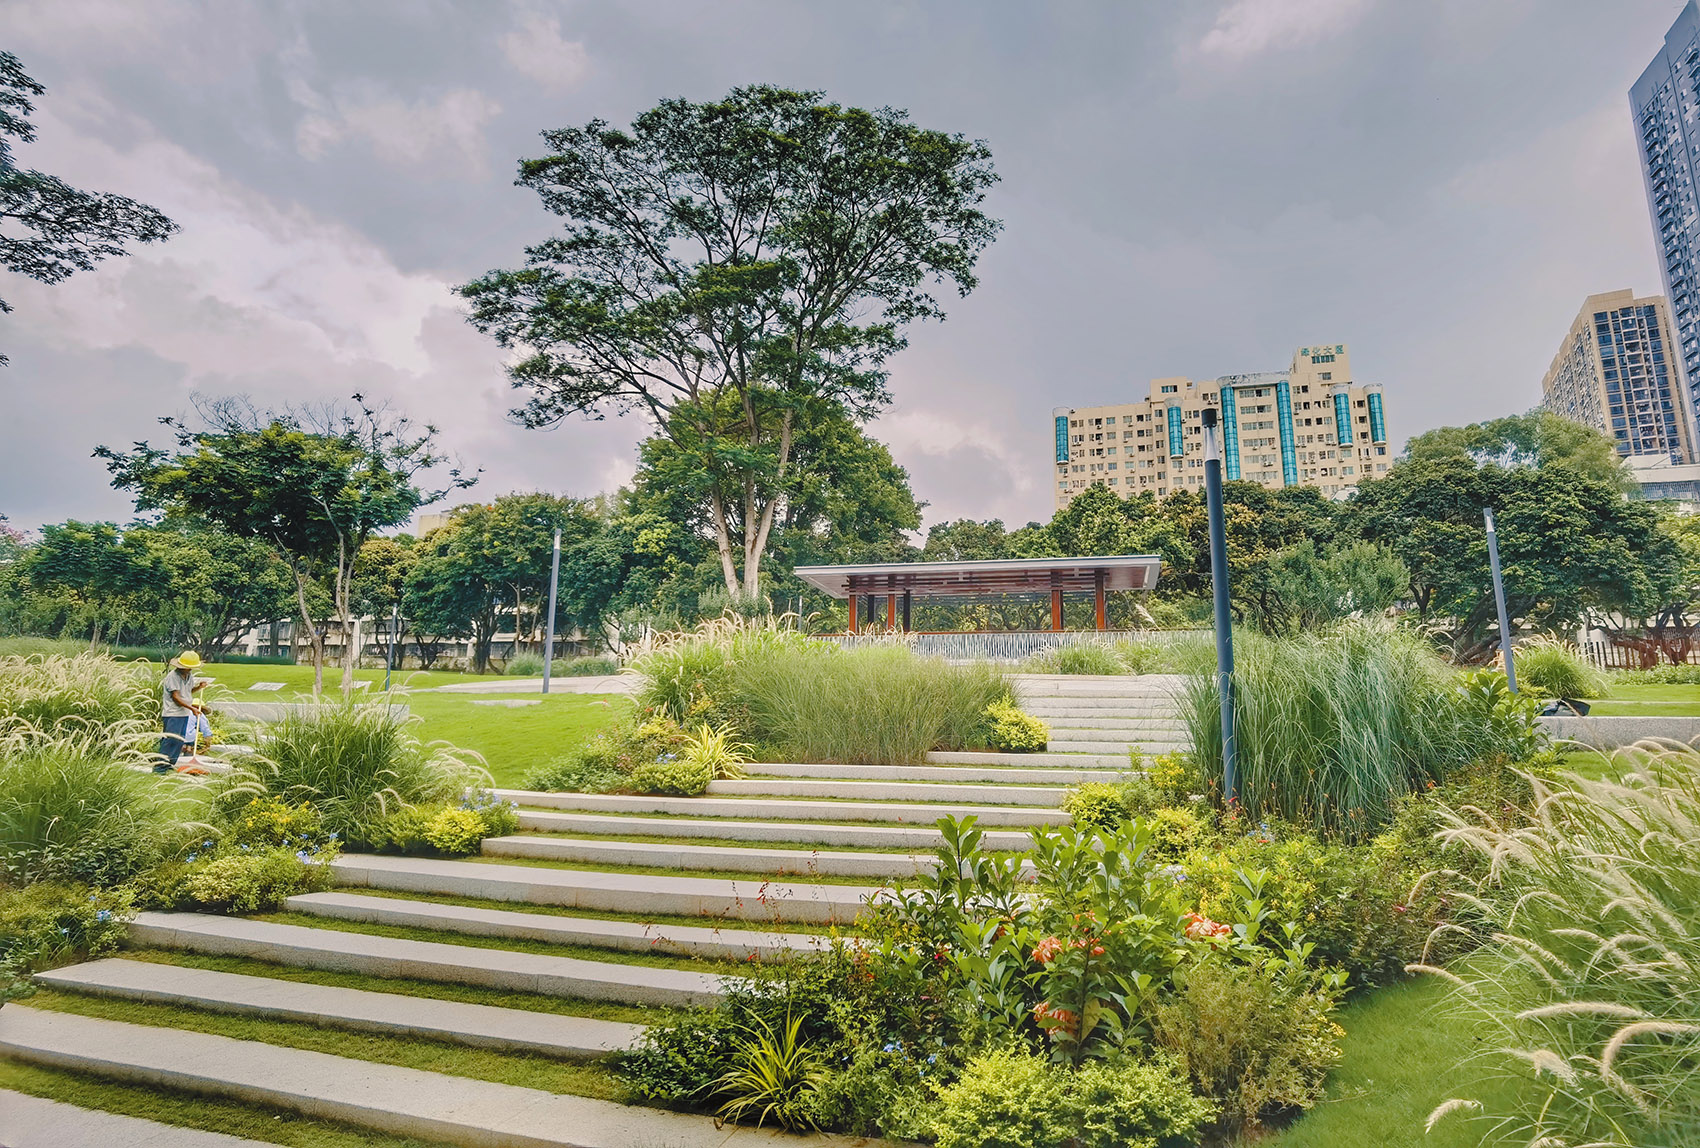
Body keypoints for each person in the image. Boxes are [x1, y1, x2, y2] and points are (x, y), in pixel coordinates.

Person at [157, 651, 208, 774]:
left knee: (179, 741)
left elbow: (187, 692)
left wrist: (199, 687)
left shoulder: (189, 676)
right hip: (173, 713)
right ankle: (159, 767)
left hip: (183, 713)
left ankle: (170, 765)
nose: (190, 669)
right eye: (188, 667)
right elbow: (176, 697)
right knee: (171, 740)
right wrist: (193, 709)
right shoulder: (173, 677)